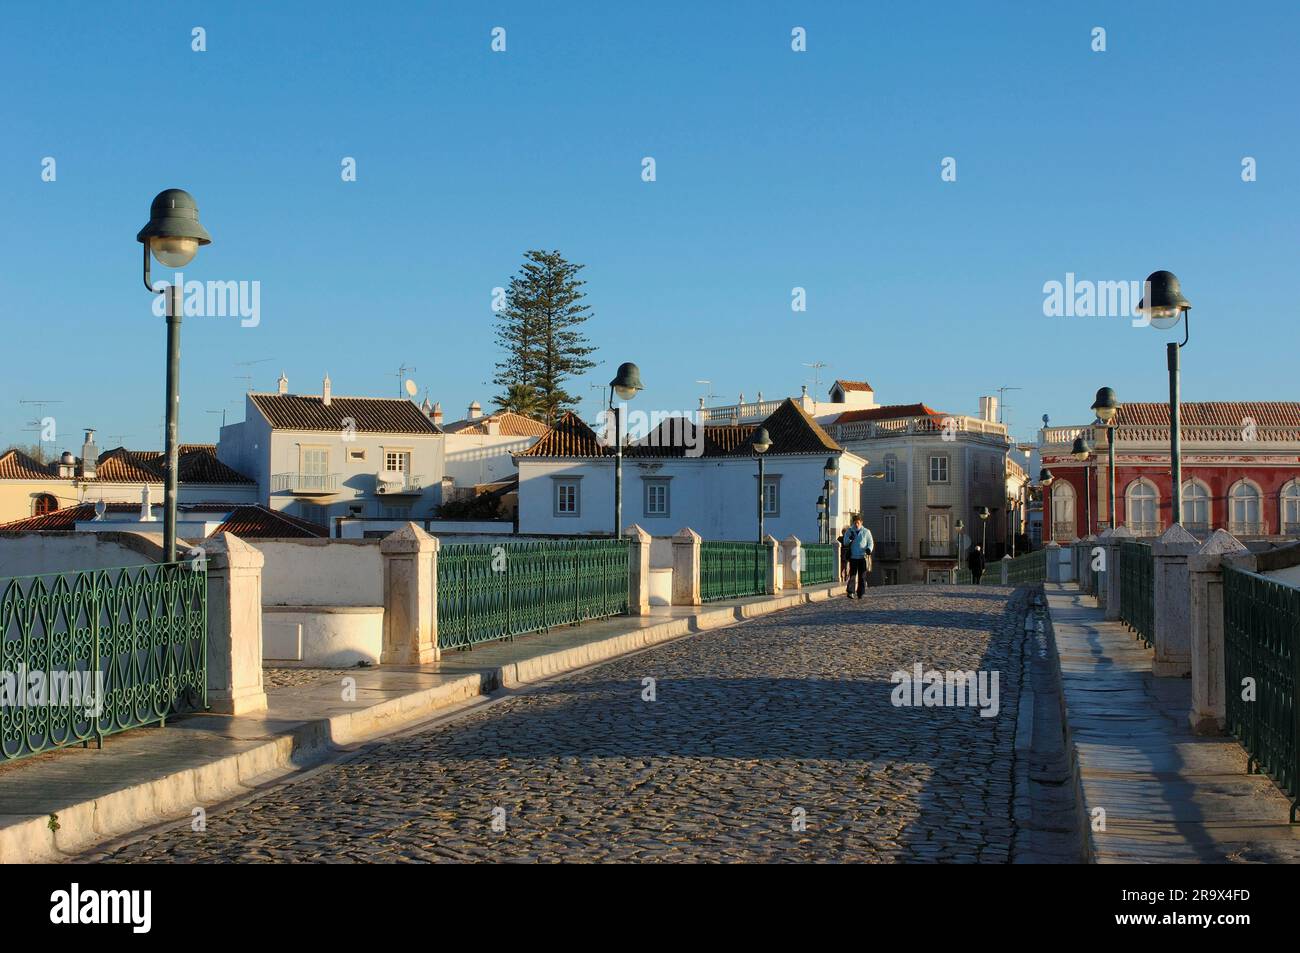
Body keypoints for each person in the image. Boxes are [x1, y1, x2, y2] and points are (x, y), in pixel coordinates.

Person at [844, 515, 874, 599]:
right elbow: (845, 542)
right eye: (855, 523)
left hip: (862, 557)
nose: (856, 524)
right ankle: (850, 592)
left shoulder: (866, 532)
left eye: (858, 523)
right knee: (852, 575)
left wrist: (869, 549)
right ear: (853, 523)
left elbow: (870, 542)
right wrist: (850, 538)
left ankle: (860, 592)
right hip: (853, 557)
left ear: (861, 522)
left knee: (862, 576)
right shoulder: (849, 531)